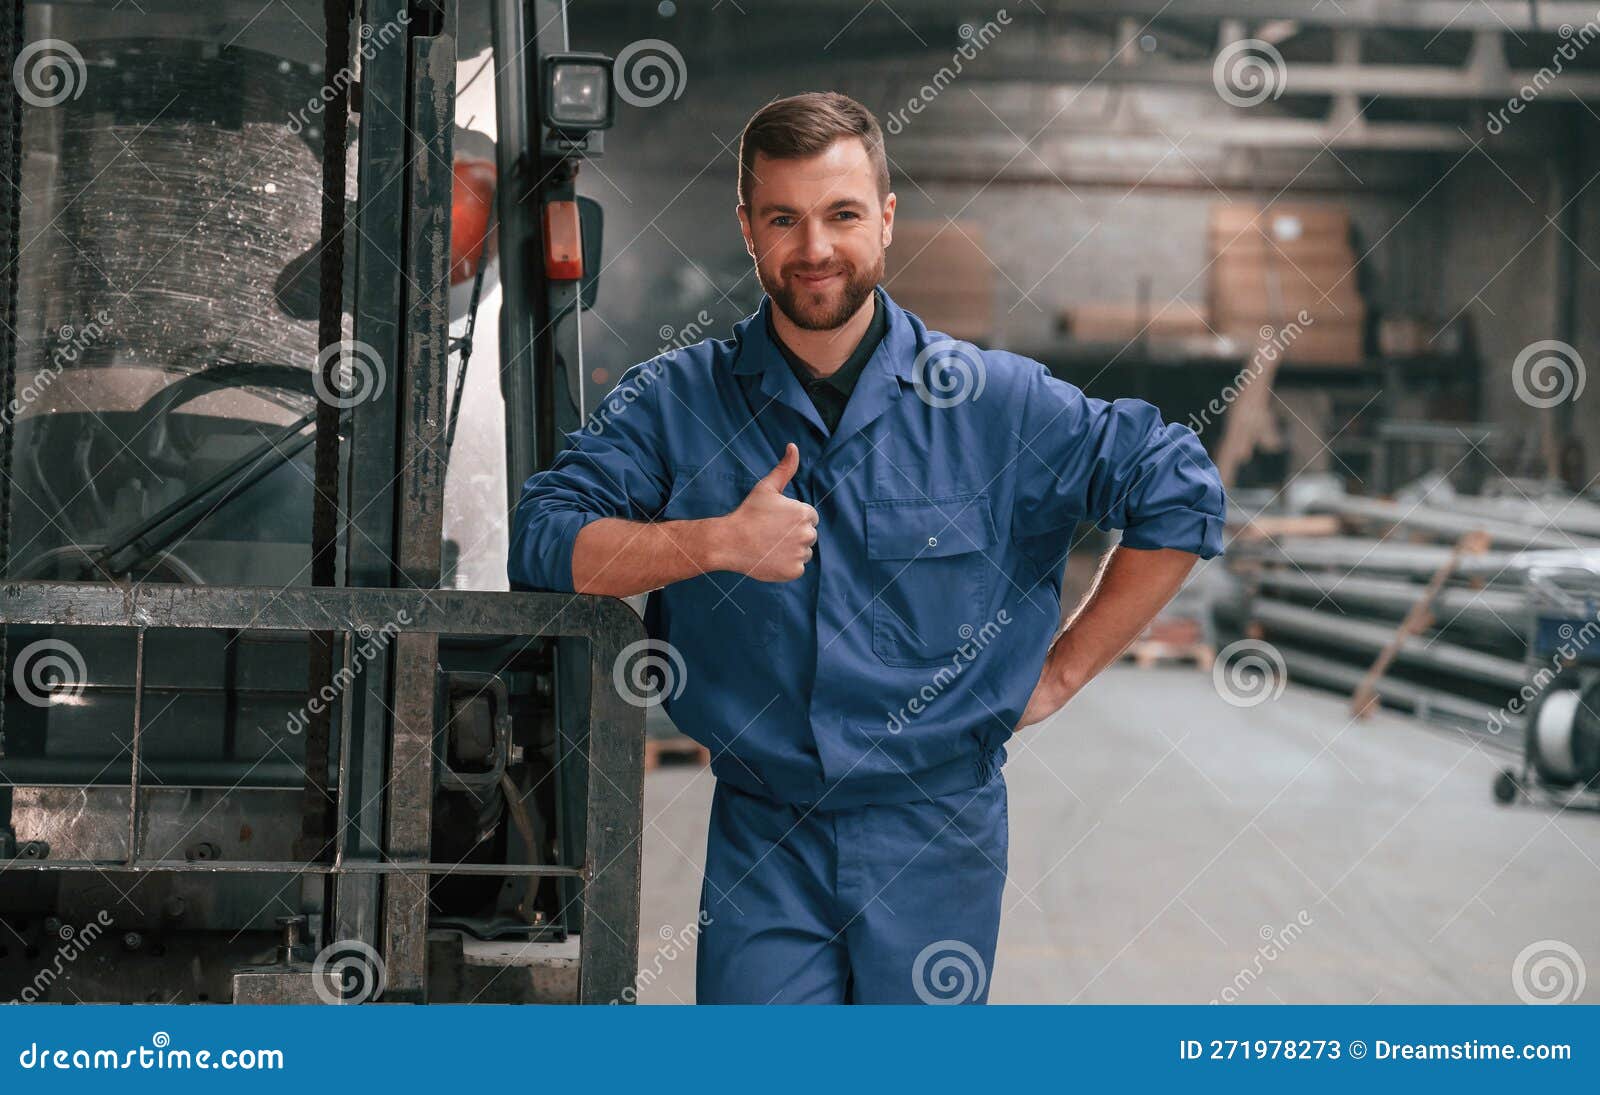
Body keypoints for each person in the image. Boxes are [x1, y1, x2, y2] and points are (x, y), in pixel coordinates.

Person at [509, 91, 1225, 1004]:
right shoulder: (677, 401)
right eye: (784, 219)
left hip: (935, 838)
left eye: (842, 214)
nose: (815, 247)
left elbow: (1177, 487)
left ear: (886, 219)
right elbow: (543, 540)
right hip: (764, 836)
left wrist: (1064, 671)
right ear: (748, 228)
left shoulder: (993, 404)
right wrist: (713, 542)